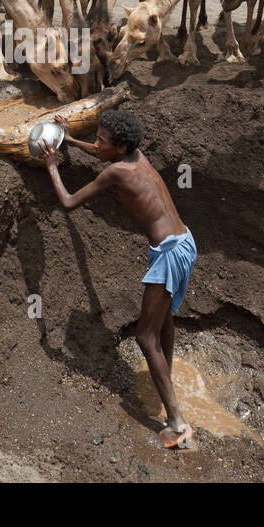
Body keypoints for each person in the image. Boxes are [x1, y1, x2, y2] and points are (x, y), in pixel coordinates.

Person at [41, 109, 197, 448]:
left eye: (102, 140)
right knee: (162, 321)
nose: (97, 144)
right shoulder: (135, 157)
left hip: (169, 255)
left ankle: (177, 423)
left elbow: (68, 202)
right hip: (184, 242)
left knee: (144, 337)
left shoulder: (116, 173)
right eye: (96, 137)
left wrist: (53, 167)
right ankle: (165, 379)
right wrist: (68, 138)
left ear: (121, 147)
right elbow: (100, 152)